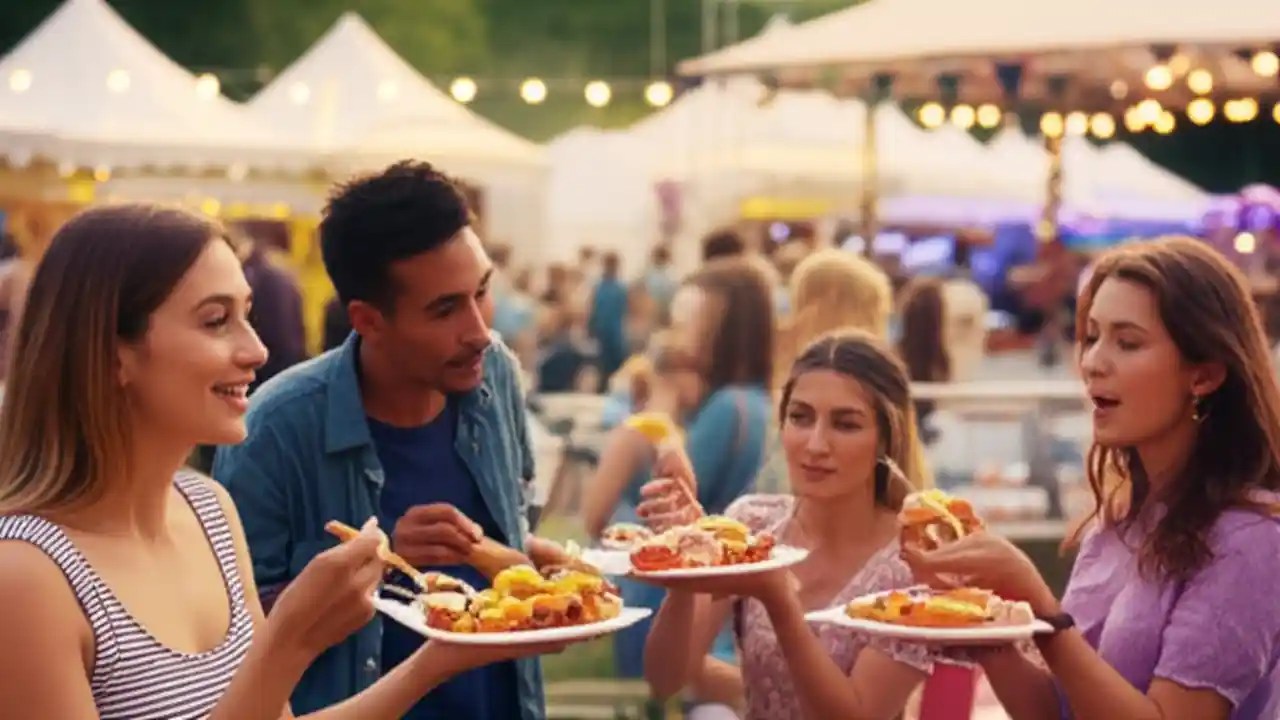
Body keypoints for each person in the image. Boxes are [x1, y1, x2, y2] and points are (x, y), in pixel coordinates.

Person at [0, 204, 561, 719]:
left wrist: (441, 659)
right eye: (215, 320)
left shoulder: (208, 510)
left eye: (248, 314)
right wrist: (289, 642)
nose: (257, 351)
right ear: (113, 354)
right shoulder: (26, 578)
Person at [214, 162, 561, 719]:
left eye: (482, 292)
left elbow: (516, 530)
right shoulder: (274, 430)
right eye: (445, 309)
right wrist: (379, 564)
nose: (478, 330)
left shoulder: (495, 372)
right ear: (368, 320)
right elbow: (230, 634)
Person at [905, 236, 1280, 720]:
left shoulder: (1251, 541)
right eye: (1092, 336)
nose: (1092, 362)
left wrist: (1041, 605)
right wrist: (980, 612)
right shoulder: (1120, 517)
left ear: (1203, 376)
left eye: (1127, 343)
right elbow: (1056, 710)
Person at [635, 330, 945, 720]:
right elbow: (665, 679)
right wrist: (684, 562)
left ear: (885, 439)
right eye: (800, 418)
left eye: (845, 424)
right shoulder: (752, 523)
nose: (815, 444)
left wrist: (779, 599)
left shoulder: (913, 564)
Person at [584, 258, 776, 714]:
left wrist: (657, 420)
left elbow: (665, 499)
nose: (679, 330)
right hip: (684, 596)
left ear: (725, 328)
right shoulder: (738, 402)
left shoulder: (731, 407)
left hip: (676, 596)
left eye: (692, 319)